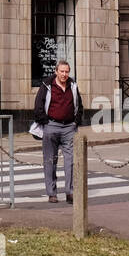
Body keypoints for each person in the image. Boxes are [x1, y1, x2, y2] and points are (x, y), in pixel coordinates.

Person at [33, 60, 85, 203]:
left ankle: (70, 192)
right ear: (56, 72)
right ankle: (52, 193)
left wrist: (76, 121)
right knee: (50, 161)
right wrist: (45, 122)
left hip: (69, 127)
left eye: (66, 71)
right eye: (61, 71)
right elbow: (38, 105)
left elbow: (79, 105)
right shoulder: (47, 85)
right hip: (51, 126)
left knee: (71, 161)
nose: (64, 74)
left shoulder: (73, 86)